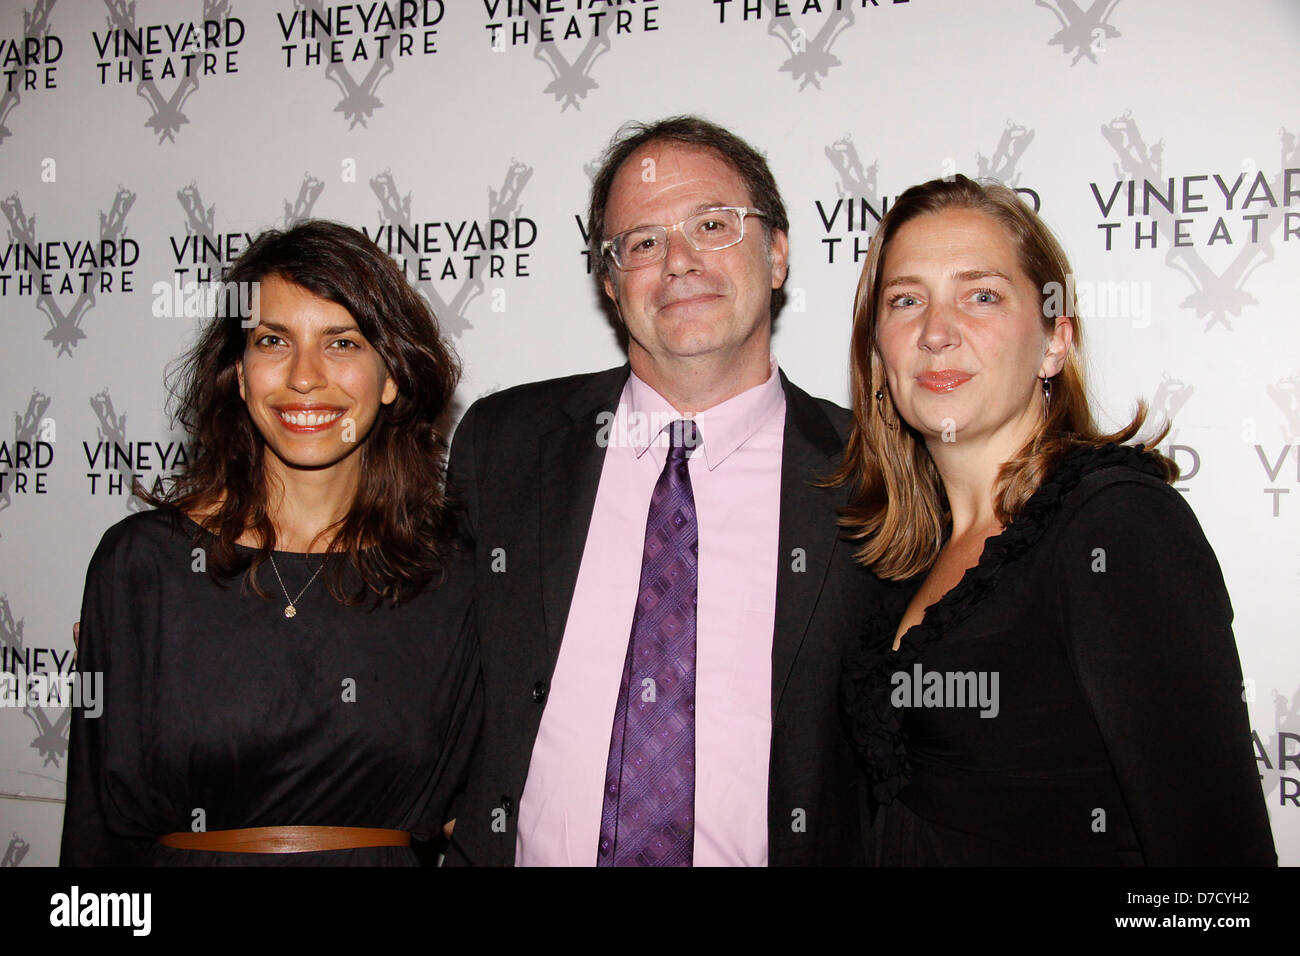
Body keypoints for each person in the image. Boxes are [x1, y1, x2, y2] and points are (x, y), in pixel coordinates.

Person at [444, 116, 893, 866]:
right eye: (643, 242)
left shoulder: (877, 473)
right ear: (611, 284)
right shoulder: (505, 445)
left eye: (712, 224)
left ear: (777, 254)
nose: (679, 261)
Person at [835, 174, 1276, 865]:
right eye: (906, 300)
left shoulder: (1114, 528)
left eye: (981, 296)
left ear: (1053, 343)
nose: (936, 332)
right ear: (879, 350)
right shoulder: (907, 554)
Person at [60, 220, 481, 866]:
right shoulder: (142, 566)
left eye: (341, 342)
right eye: (273, 340)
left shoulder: (448, 575)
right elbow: (96, 833)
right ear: (239, 371)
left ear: (392, 375)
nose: (305, 377)